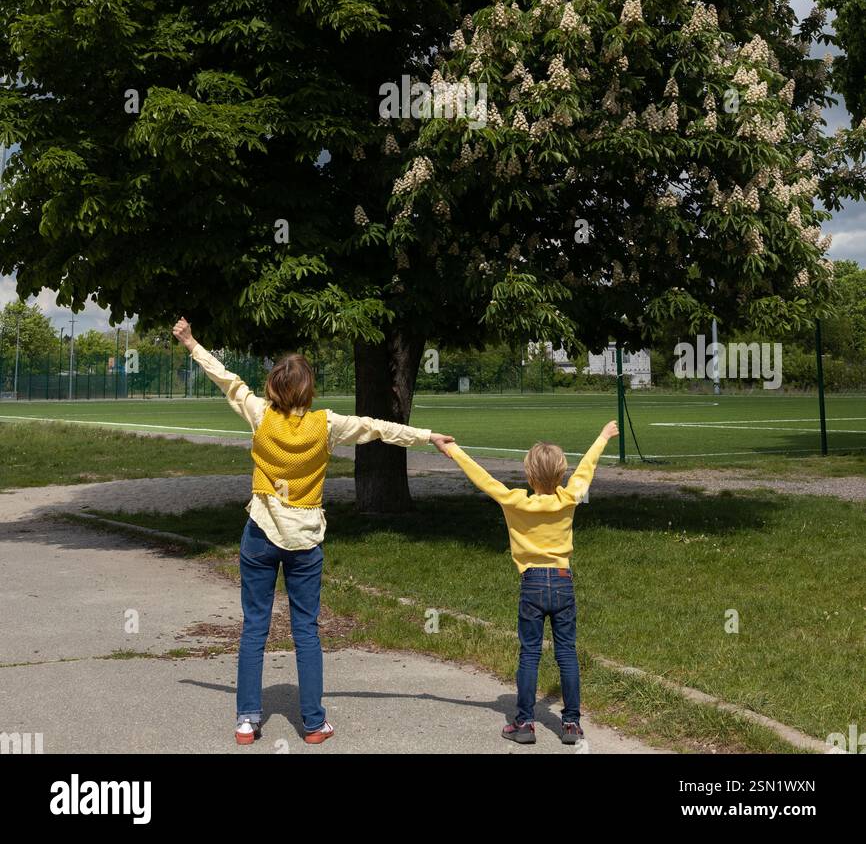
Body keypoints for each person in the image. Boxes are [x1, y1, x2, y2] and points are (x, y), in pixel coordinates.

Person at [172, 318, 454, 746]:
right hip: (305, 542)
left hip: (260, 535)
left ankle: (247, 721)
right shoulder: (327, 425)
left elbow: (226, 379)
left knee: (254, 628)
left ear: (272, 387)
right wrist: (427, 435)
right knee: (305, 630)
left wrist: (191, 342)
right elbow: (378, 427)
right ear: (308, 390)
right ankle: (313, 723)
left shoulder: (259, 414)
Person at [432, 421, 619, 747]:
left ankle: (524, 723)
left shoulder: (514, 500)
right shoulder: (569, 498)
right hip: (562, 582)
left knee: (530, 653)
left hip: (531, 583)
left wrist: (453, 450)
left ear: (529, 475)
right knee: (567, 653)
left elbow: (483, 478)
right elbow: (586, 470)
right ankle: (572, 723)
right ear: (561, 475)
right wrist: (602, 437)